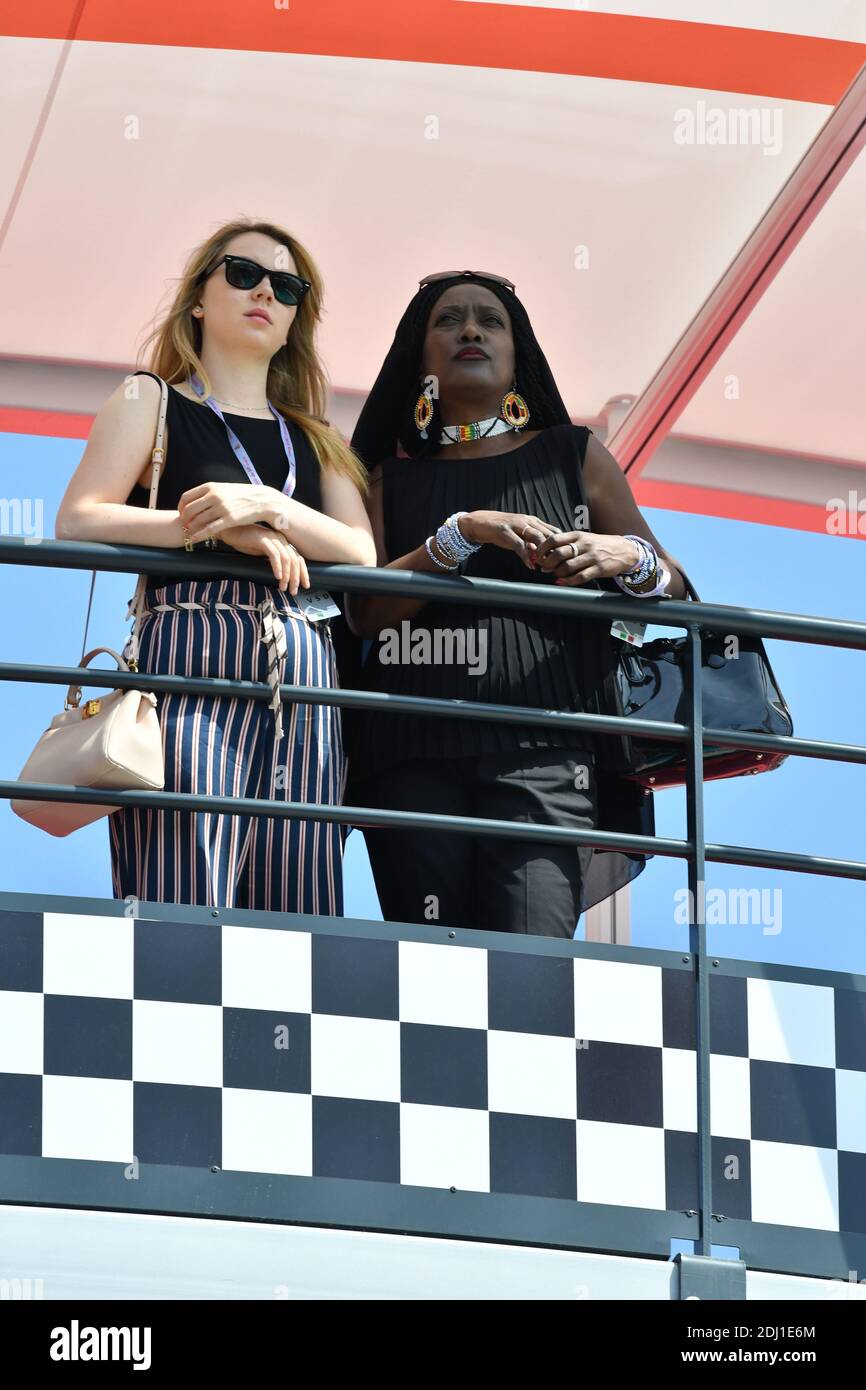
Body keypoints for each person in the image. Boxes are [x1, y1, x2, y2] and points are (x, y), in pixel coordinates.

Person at [342, 270, 689, 939]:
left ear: (515, 354)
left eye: (490, 320)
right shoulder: (385, 480)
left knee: (532, 971)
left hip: (548, 754)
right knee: (428, 969)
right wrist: (461, 535)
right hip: (409, 760)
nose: (471, 330)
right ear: (420, 360)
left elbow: (676, 590)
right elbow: (366, 613)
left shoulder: (575, 457)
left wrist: (626, 556)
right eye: (449, 320)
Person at [55, 219, 376, 913]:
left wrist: (266, 507)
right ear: (198, 298)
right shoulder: (151, 399)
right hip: (189, 657)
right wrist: (216, 534)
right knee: (184, 887)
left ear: (294, 320)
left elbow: (360, 549)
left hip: (304, 676)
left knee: (299, 897)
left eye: (287, 288)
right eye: (243, 273)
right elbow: (78, 517)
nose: (265, 292)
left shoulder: (316, 436)